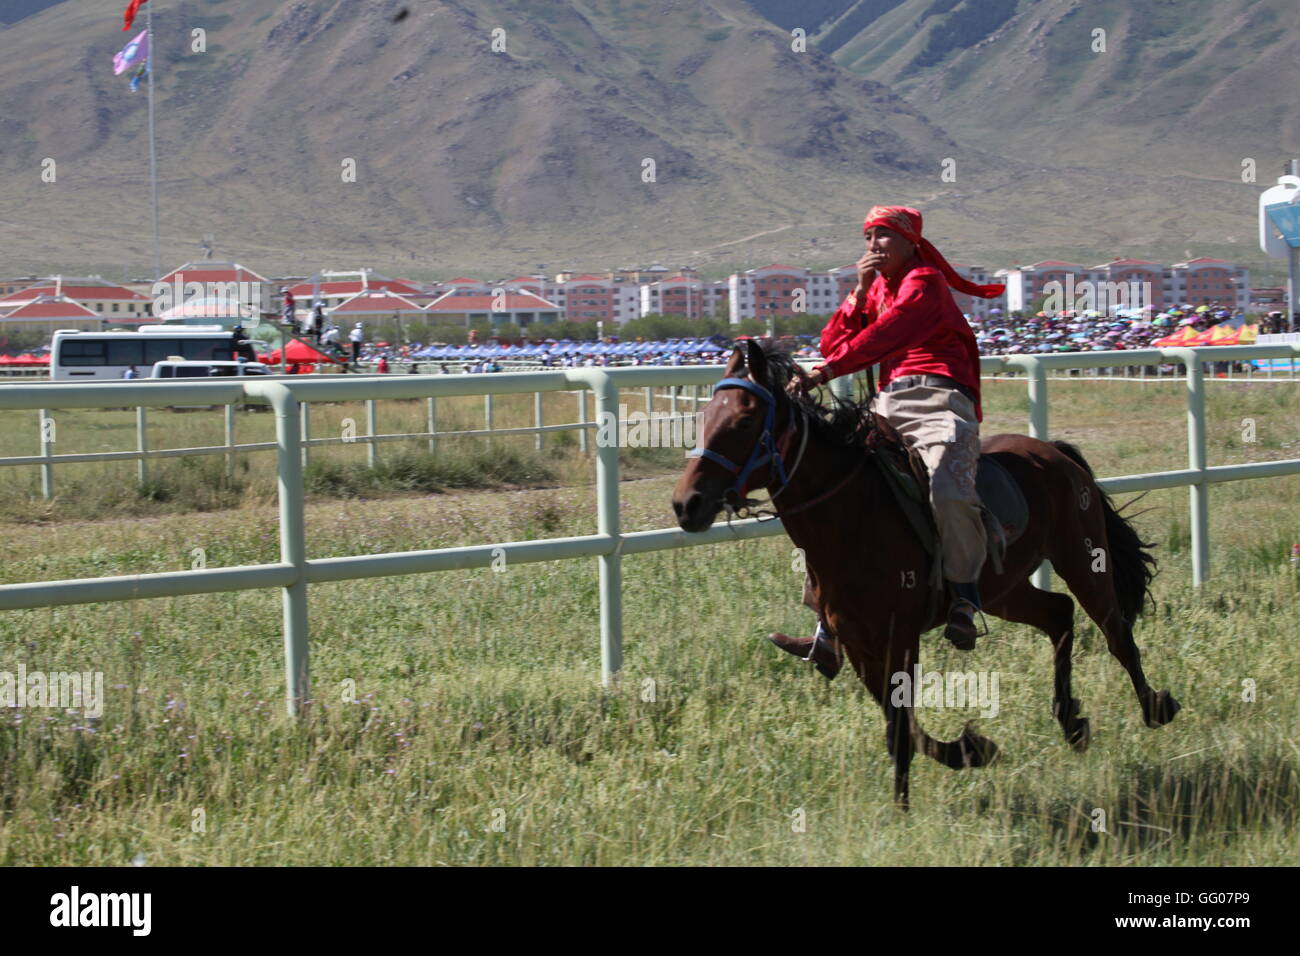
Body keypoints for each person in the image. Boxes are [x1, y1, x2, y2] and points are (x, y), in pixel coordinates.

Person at [771, 205, 1006, 677]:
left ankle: (965, 596)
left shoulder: (925, 282)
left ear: (909, 242)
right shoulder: (876, 287)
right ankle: (826, 627)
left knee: (948, 488)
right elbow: (834, 343)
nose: (873, 246)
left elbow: (880, 337)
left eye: (883, 237)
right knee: (834, 490)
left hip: (940, 396)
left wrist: (826, 374)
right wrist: (858, 291)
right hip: (887, 400)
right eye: (868, 238)